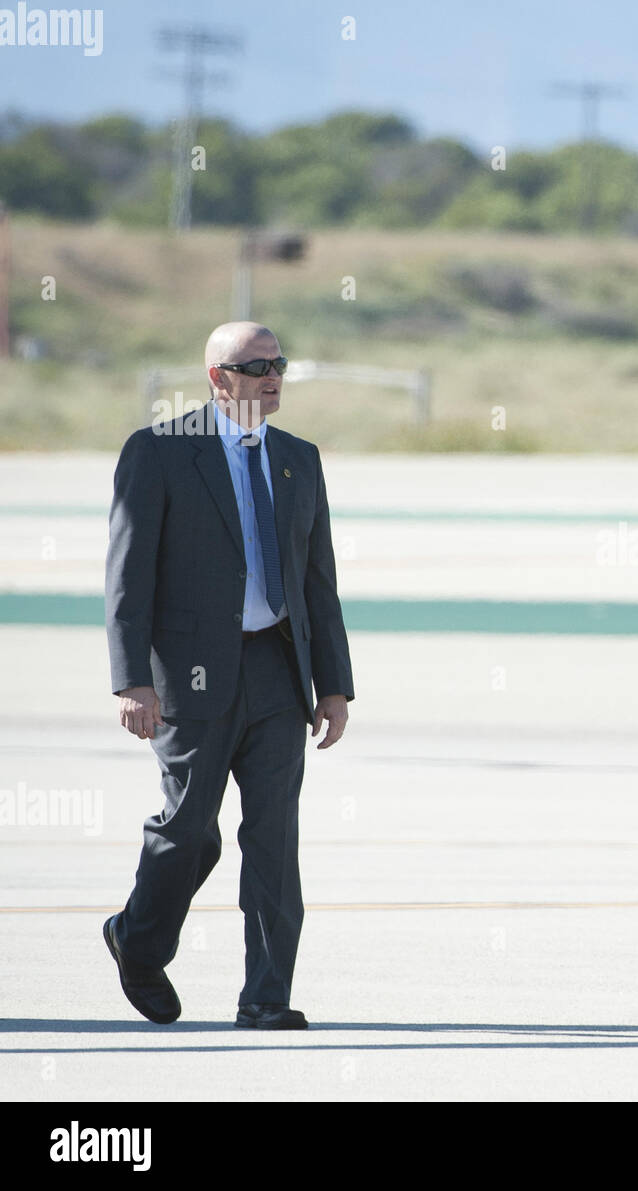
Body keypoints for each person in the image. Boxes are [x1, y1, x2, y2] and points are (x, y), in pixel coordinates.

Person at [103, 321, 354, 1030]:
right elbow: (128, 575)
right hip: (189, 672)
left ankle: (266, 996)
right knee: (189, 830)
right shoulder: (158, 451)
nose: (272, 375)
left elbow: (317, 581)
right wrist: (132, 680)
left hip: (278, 669)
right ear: (218, 377)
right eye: (256, 365)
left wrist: (332, 683)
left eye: (279, 363)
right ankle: (139, 938)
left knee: (274, 839)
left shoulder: (298, 459)